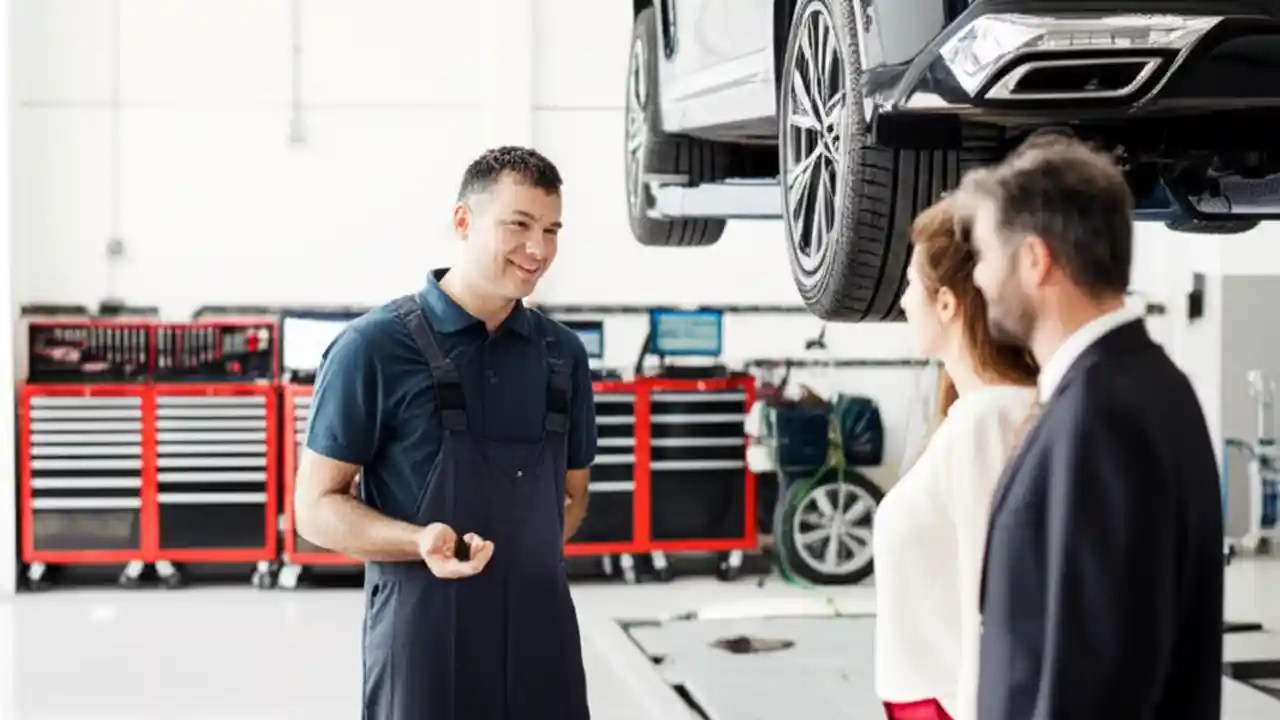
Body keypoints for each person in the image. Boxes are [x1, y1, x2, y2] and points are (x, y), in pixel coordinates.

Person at [292, 146, 596, 719]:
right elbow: (313, 508)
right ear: (463, 221)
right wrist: (417, 542)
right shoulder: (373, 347)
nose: (539, 250)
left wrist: (520, 570)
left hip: (542, 639)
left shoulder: (564, 355)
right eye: (519, 225)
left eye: (552, 230)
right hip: (425, 645)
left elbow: (573, 495)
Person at [959, 134, 1223, 720]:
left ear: (1034, 259)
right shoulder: (1144, 387)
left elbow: (1098, 678)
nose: (976, 278)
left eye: (983, 255)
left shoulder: (1101, 417)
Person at [874, 196, 1039, 720]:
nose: (901, 302)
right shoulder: (969, 415)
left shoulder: (990, 420)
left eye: (910, 284)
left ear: (947, 302)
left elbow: (993, 604)